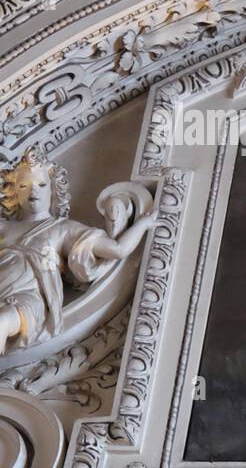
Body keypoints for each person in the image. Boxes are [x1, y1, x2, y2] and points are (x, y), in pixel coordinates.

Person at [0, 147, 155, 354]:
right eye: (23, 185)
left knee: (2, 320)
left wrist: (143, 224)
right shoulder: (4, 228)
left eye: (41, 184)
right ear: (14, 191)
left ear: (53, 189)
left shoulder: (63, 229)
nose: (33, 191)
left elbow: (117, 249)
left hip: (26, 297)